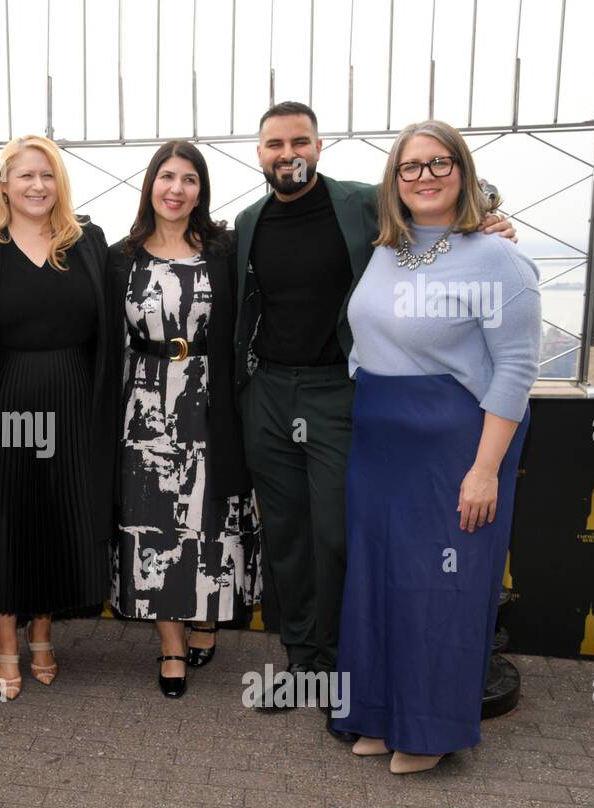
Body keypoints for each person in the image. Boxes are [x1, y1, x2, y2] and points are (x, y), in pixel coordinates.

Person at [231, 102, 515, 739]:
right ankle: (305, 663)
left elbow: (438, 198)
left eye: (299, 140)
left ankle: (346, 668)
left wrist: (490, 223)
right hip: (269, 395)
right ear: (259, 153)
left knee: (337, 535)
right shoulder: (248, 224)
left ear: (319, 146)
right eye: (274, 143)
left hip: (339, 393)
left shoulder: (361, 204)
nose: (287, 152)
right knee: (287, 538)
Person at [333, 120, 540, 773]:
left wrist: (486, 469)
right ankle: (376, 713)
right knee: (380, 581)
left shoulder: (498, 257)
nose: (425, 176)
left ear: (463, 170)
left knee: (439, 584)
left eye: (439, 163)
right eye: (410, 167)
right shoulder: (387, 248)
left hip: (456, 440)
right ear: (394, 182)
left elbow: (515, 368)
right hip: (380, 435)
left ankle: (428, 730)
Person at [0, 135, 116, 699]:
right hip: (3, 402)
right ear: (3, 183)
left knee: (58, 516)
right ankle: (6, 641)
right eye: (24, 175)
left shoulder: (88, 243)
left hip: (74, 398)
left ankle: (43, 633)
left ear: (60, 184)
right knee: (6, 519)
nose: (36, 186)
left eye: (47, 176)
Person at [108, 141, 262, 699]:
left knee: (210, 518)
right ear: (150, 184)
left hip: (211, 400)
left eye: (189, 179)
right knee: (155, 521)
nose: (177, 189)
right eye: (166, 176)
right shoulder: (121, 256)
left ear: (201, 189)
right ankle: (171, 643)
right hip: (143, 404)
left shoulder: (226, 248)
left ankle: (206, 617)